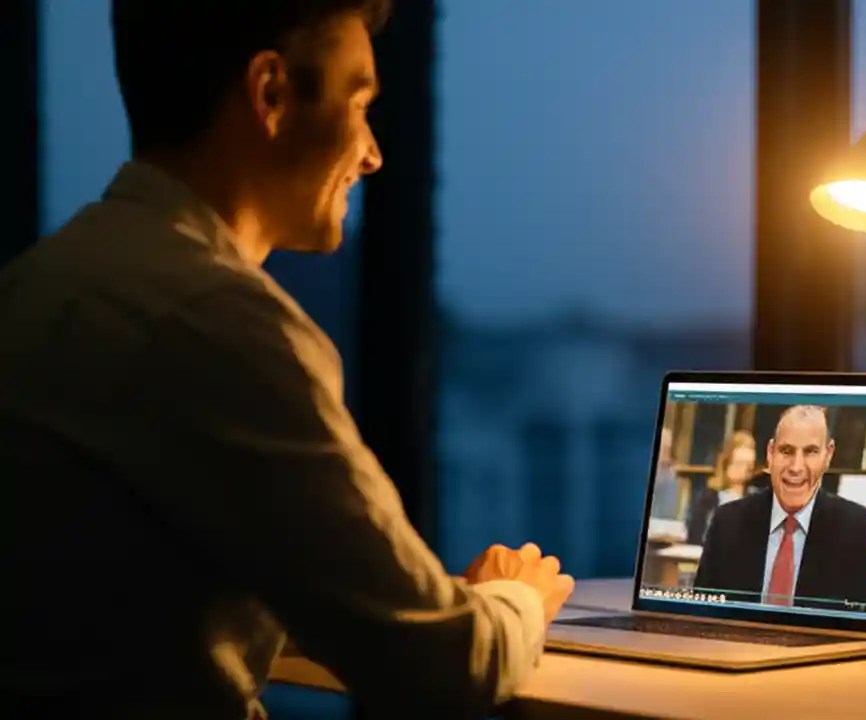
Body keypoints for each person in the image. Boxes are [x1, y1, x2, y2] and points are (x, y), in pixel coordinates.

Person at [0, 2, 572, 716]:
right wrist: (520, 596)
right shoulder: (217, 325)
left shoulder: (43, 283)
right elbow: (445, 667)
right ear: (271, 94)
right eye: (358, 101)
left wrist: (400, 601)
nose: (372, 153)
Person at [693, 406, 866, 610]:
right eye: (786, 451)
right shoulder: (727, 521)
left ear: (828, 455)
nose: (796, 467)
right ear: (770, 453)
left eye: (810, 452)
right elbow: (701, 616)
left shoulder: (857, 528)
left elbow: (861, 630)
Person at [686, 430, 758, 544]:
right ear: (726, 464)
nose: (744, 470)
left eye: (748, 465)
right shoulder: (709, 498)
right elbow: (695, 534)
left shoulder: (755, 500)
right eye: (739, 464)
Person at [649, 426, 682, 520]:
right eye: (663, 448)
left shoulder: (669, 475)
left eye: (668, 449)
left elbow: (668, 513)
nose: (666, 456)